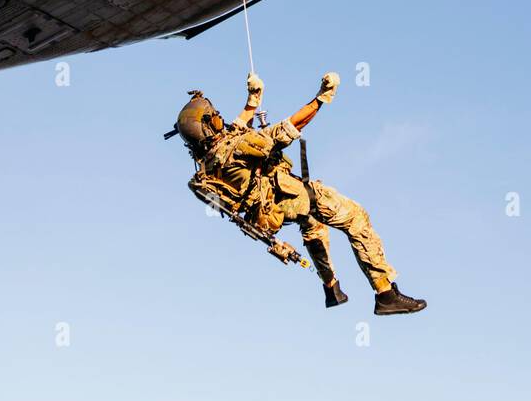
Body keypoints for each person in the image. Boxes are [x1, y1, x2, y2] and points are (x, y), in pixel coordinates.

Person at [175, 74, 427, 315]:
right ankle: (385, 294)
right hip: (290, 195)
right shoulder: (239, 147)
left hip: (269, 208)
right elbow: (290, 127)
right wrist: (321, 98)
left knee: (313, 228)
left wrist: (252, 102)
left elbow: (238, 131)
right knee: (356, 218)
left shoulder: (207, 162)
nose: (220, 117)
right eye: (215, 116)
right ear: (209, 123)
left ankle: (331, 288)